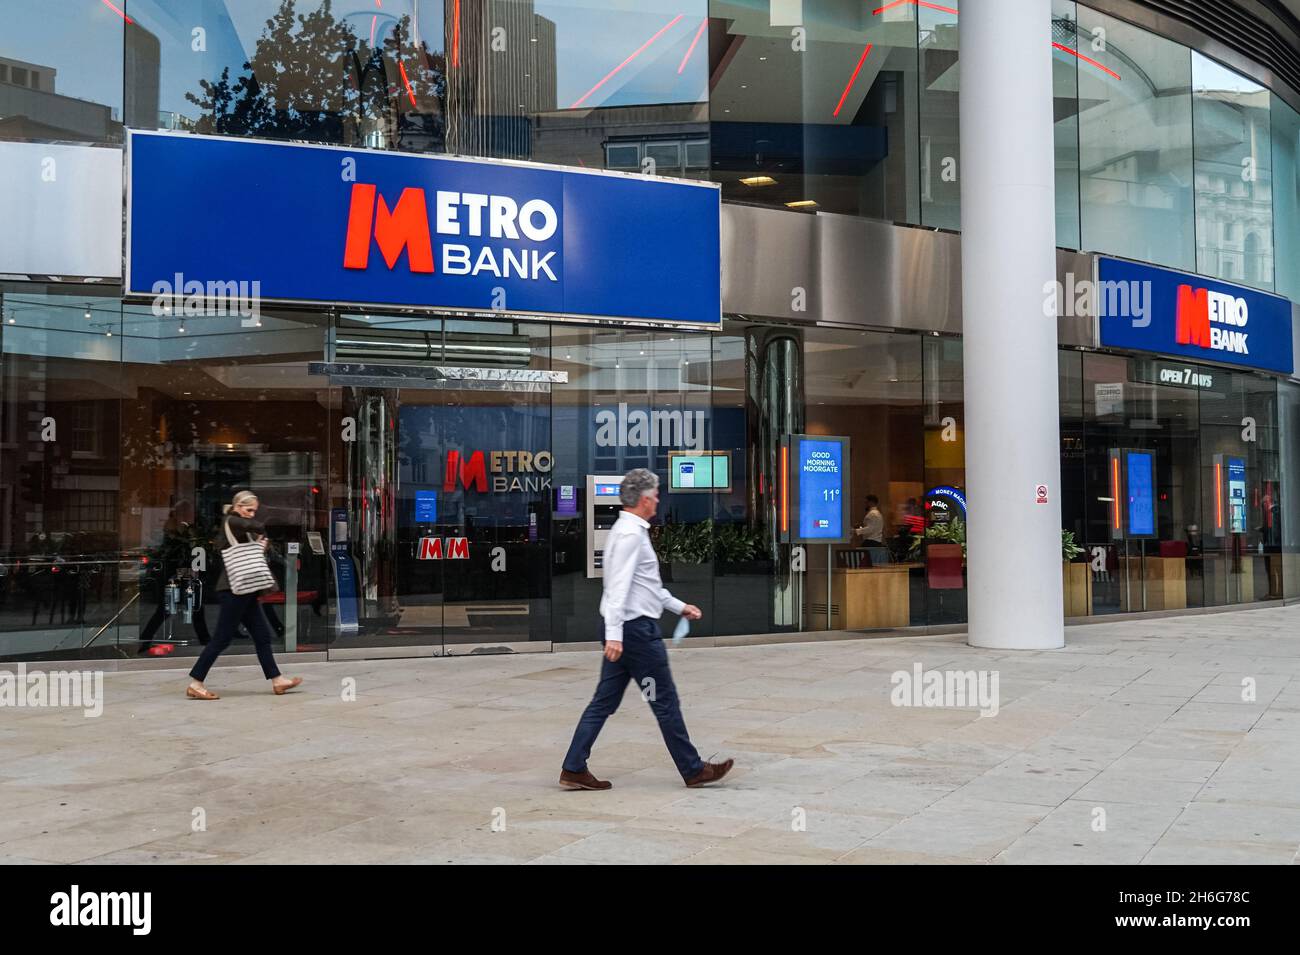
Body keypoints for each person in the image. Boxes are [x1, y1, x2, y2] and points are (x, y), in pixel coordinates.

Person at [559, 468, 733, 791]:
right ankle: (693, 769)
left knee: (604, 701)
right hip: (636, 633)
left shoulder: (628, 531)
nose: (657, 502)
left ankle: (573, 766)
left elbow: (646, 587)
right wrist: (614, 634)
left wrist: (679, 607)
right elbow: (618, 588)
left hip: (627, 630)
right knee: (664, 700)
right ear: (643, 500)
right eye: (654, 496)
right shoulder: (629, 535)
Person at [185, 490, 301, 700]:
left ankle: (277, 680)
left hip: (245, 590)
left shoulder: (240, 526)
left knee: (262, 636)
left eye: (254, 511)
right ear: (237, 506)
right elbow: (256, 526)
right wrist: (266, 527)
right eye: (248, 510)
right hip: (234, 591)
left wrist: (260, 545)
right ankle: (196, 683)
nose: (251, 514)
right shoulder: (231, 521)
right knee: (222, 638)